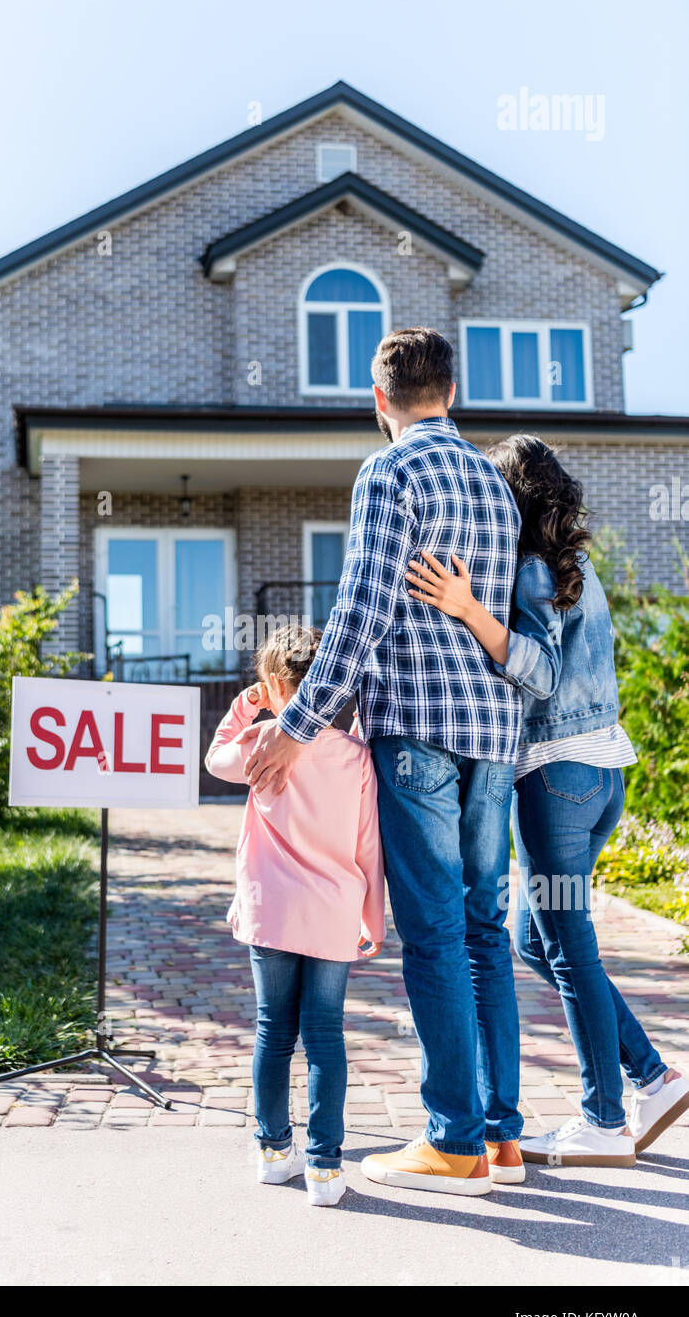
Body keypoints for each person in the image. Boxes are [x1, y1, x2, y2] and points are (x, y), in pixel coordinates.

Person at [244, 329, 526, 1196]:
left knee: (436, 935)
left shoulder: (390, 472)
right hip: (496, 733)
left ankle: (451, 1142)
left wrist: (297, 721)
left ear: (379, 402)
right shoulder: (496, 484)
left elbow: (361, 608)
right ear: (452, 391)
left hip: (420, 737)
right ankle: (499, 1135)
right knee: (485, 933)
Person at [407, 432, 689, 1167]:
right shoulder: (578, 566)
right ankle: (653, 1078)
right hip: (599, 778)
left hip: (556, 783)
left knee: (567, 945)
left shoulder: (532, 570)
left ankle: (601, 1120)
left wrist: (469, 609)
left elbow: (535, 668)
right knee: (541, 940)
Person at [205, 624, 385, 1207]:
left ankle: (273, 1150)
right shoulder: (356, 756)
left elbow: (214, 759)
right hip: (333, 914)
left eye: (264, 682)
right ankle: (326, 1169)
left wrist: (247, 704)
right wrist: (372, 920)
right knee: (326, 1036)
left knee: (273, 1030)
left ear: (277, 684)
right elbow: (367, 847)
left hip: (273, 912)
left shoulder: (260, 741)